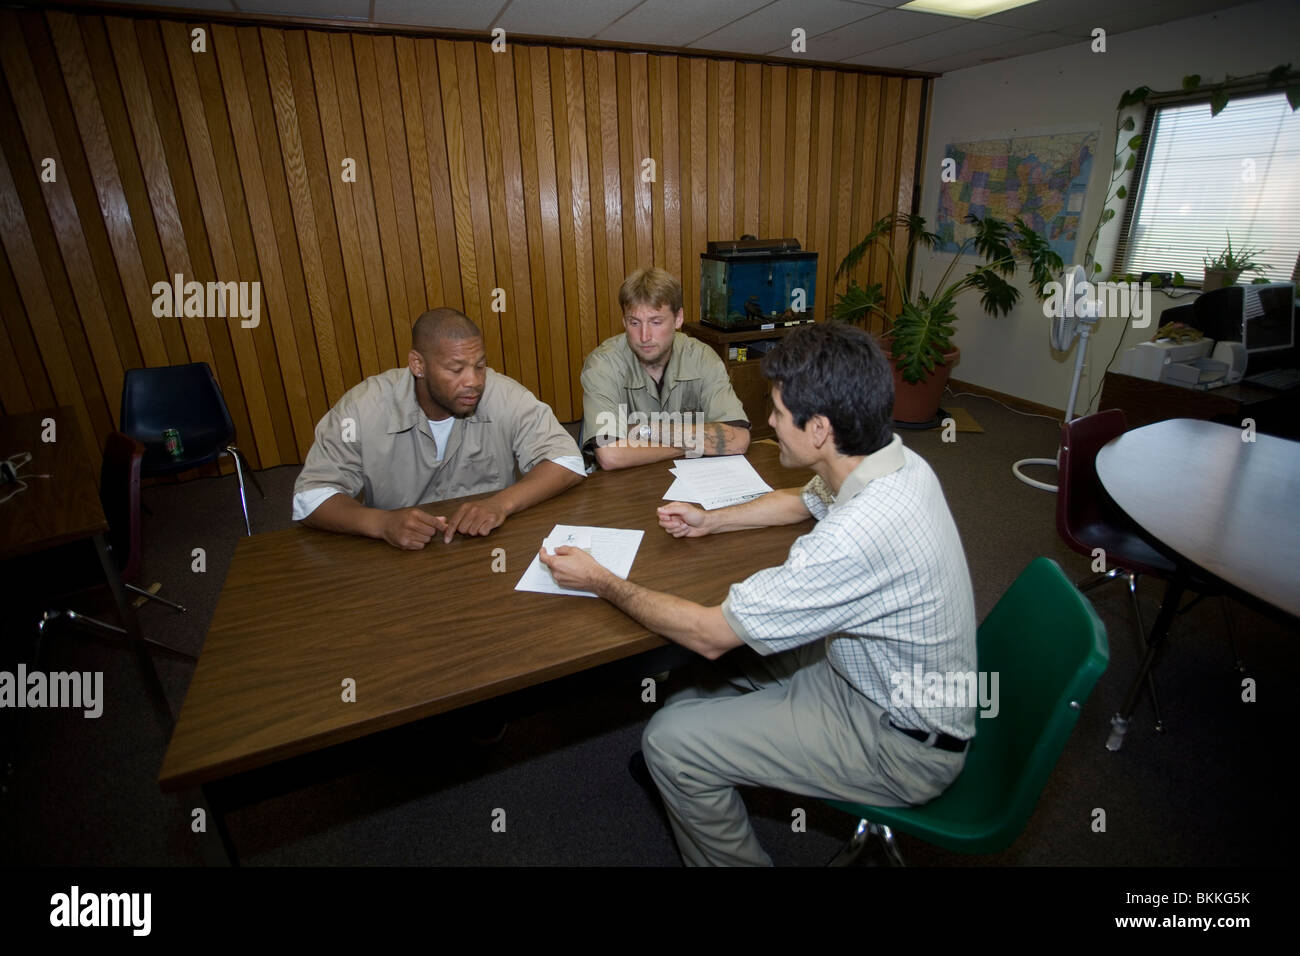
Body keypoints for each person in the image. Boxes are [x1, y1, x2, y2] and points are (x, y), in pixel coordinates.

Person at [541, 322, 977, 866]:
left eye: (776, 410)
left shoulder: (855, 536)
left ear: (818, 429)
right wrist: (711, 521)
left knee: (669, 738)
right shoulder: (892, 460)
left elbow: (708, 634)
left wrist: (601, 578)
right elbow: (802, 499)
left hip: (897, 744)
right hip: (881, 679)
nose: (767, 420)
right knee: (726, 671)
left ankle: (692, 779)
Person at [293, 309, 585, 550]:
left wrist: (500, 504)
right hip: (395, 558)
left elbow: (567, 462)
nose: (473, 381)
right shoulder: (363, 407)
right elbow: (311, 498)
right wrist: (381, 523)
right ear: (418, 365)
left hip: (488, 549)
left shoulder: (502, 394)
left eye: (479, 366)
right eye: (456, 369)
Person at [580, 267, 750, 470]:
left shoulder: (702, 358)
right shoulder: (603, 364)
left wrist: (646, 431)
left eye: (656, 322)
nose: (644, 336)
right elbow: (611, 455)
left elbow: (739, 439)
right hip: (625, 486)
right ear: (624, 321)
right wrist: (694, 445)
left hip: (694, 481)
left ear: (678, 319)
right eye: (634, 323)